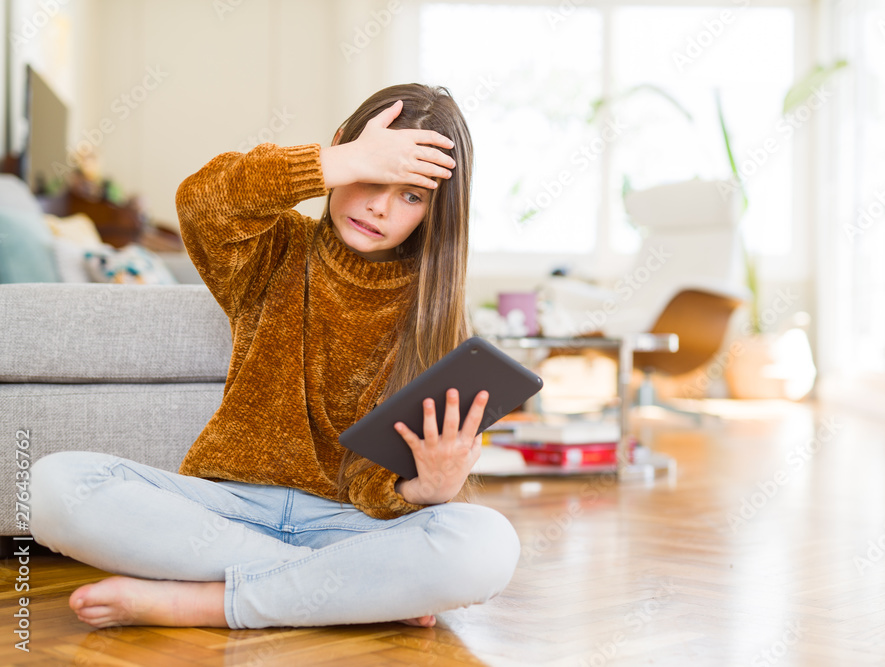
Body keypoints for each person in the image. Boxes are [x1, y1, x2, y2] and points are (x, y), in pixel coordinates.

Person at [29, 83, 521, 630]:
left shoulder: (436, 315)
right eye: (369, 175)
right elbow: (202, 200)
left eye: (411, 196)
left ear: (433, 212)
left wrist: (427, 490)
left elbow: (375, 489)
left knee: (488, 546)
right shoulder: (273, 247)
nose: (380, 205)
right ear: (338, 151)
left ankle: (201, 604)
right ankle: (347, 591)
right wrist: (333, 161)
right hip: (227, 511)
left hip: (351, 523)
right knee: (54, 485)